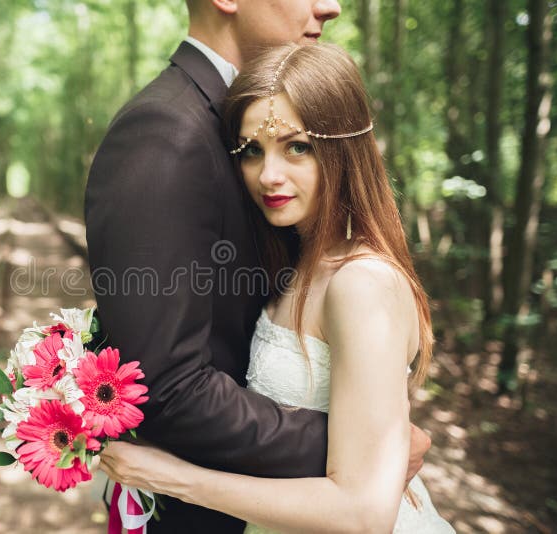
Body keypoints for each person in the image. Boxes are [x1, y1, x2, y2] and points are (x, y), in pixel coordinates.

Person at [85, 2, 430, 532]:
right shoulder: (166, 129)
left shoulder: (356, 277)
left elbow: (363, 503)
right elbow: (167, 375)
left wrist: (371, 446)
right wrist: (366, 442)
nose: (331, 5)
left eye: (298, 147)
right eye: (250, 150)